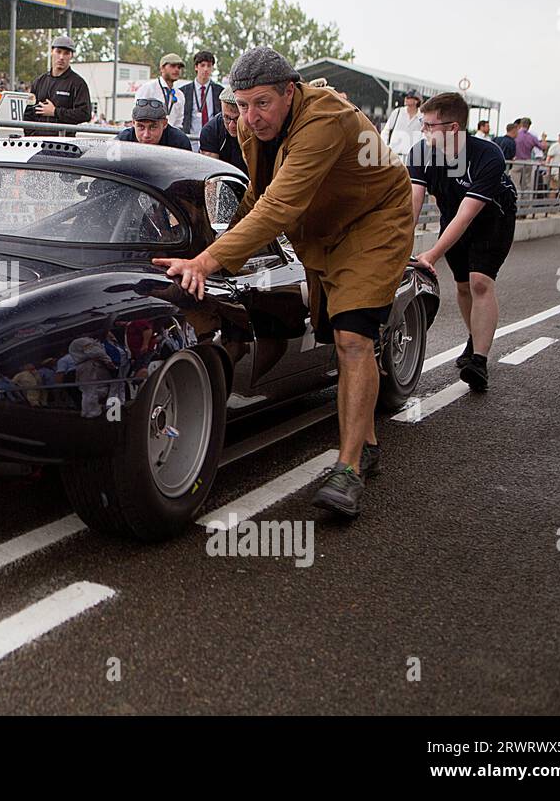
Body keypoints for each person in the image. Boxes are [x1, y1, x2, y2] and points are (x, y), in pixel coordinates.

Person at [153, 47, 413, 519]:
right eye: (243, 105)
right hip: (321, 227)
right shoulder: (255, 129)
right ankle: (368, 442)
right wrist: (213, 250)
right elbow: (255, 198)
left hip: (372, 222)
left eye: (263, 103)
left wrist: (208, 261)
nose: (250, 118)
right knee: (336, 331)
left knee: (354, 338)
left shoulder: (326, 119)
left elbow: (278, 209)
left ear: (291, 92)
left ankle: (348, 470)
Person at [407, 92, 516, 392]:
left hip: (493, 220)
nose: (424, 131)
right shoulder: (420, 153)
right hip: (452, 217)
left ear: (453, 128)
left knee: (480, 281)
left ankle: (478, 362)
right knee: (463, 286)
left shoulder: (488, 155)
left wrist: (432, 254)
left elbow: (468, 216)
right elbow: (413, 205)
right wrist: (402, 247)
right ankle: (475, 335)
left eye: (429, 126)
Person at [23, 34, 90, 136]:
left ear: (72, 56)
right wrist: (31, 135)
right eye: (58, 52)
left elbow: (85, 114)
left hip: (63, 144)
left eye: (66, 53)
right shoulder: (39, 81)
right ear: (52, 52)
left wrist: (55, 112)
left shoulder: (78, 83)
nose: (61, 57)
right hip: (37, 142)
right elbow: (28, 113)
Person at [134, 52, 189, 136]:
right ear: (162, 68)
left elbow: (179, 122)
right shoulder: (148, 88)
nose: (177, 70)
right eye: (173, 66)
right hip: (150, 137)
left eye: (179, 67)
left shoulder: (180, 95)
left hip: (170, 138)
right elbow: (137, 115)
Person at [197, 85, 247, 171]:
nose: (231, 125)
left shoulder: (257, 126)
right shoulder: (210, 131)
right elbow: (210, 172)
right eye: (226, 118)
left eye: (237, 119)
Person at [180, 50, 223, 141]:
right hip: (190, 138)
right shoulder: (183, 91)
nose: (206, 69)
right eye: (202, 65)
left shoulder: (220, 91)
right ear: (196, 67)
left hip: (213, 139)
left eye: (209, 65)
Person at [116, 98, 191, 148]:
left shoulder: (179, 142)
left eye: (153, 127)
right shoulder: (122, 141)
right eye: (141, 127)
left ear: (164, 124)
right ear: (133, 123)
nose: (146, 135)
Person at [381, 89, 424, 159]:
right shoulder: (397, 112)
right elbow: (386, 131)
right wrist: (385, 147)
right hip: (393, 155)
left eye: (409, 97)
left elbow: (424, 136)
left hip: (412, 158)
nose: (406, 99)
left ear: (416, 101)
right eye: (405, 97)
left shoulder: (422, 117)